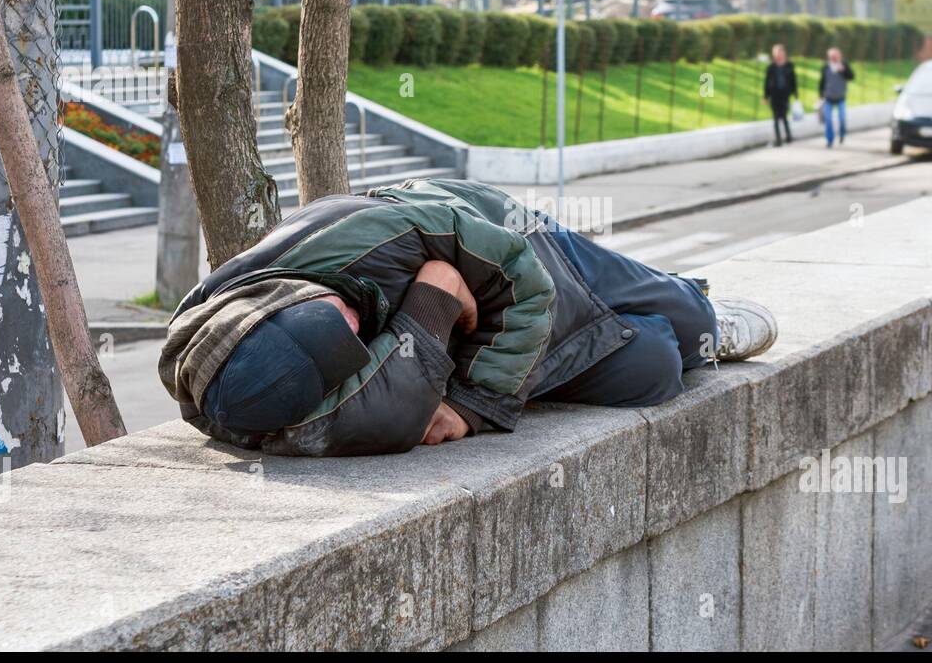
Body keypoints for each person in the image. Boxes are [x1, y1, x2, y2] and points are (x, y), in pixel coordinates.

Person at [158, 178, 778, 456]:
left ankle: (705, 315)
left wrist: (470, 403)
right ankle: (671, 335)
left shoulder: (371, 237)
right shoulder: (239, 397)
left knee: (682, 318)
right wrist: (439, 310)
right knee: (656, 370)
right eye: (346, 343)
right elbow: (367, 416)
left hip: (506, 245)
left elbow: (523, 283)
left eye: (329, 314)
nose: (351, 318)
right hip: (440, 335)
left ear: (279, 301)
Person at [818, 46, 854, 147]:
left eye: (835, 56)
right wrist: (820, 96)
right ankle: (829, 140)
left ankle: (842, 134)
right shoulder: (825, 67)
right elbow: (822, 82)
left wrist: (843, 70)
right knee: (828, 120)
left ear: (839, 56)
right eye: (831, 56)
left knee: (842, 119)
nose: (833, 58)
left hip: (840, 98)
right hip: (828, 97)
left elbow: (851, 77)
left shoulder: (844, 65)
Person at [763, 44, 797, 147]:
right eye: (776, 52)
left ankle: (788, 137)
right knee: (776, 118)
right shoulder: (771, 67)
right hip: (774, 95)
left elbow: (793, 80)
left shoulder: (789, 66)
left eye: (780, 52)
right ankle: (778, 139)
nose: (778, 55)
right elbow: (767, 82)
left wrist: (795, 93)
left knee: (784, 116)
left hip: (785, 95)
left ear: (784, 53)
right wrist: (765, 96)